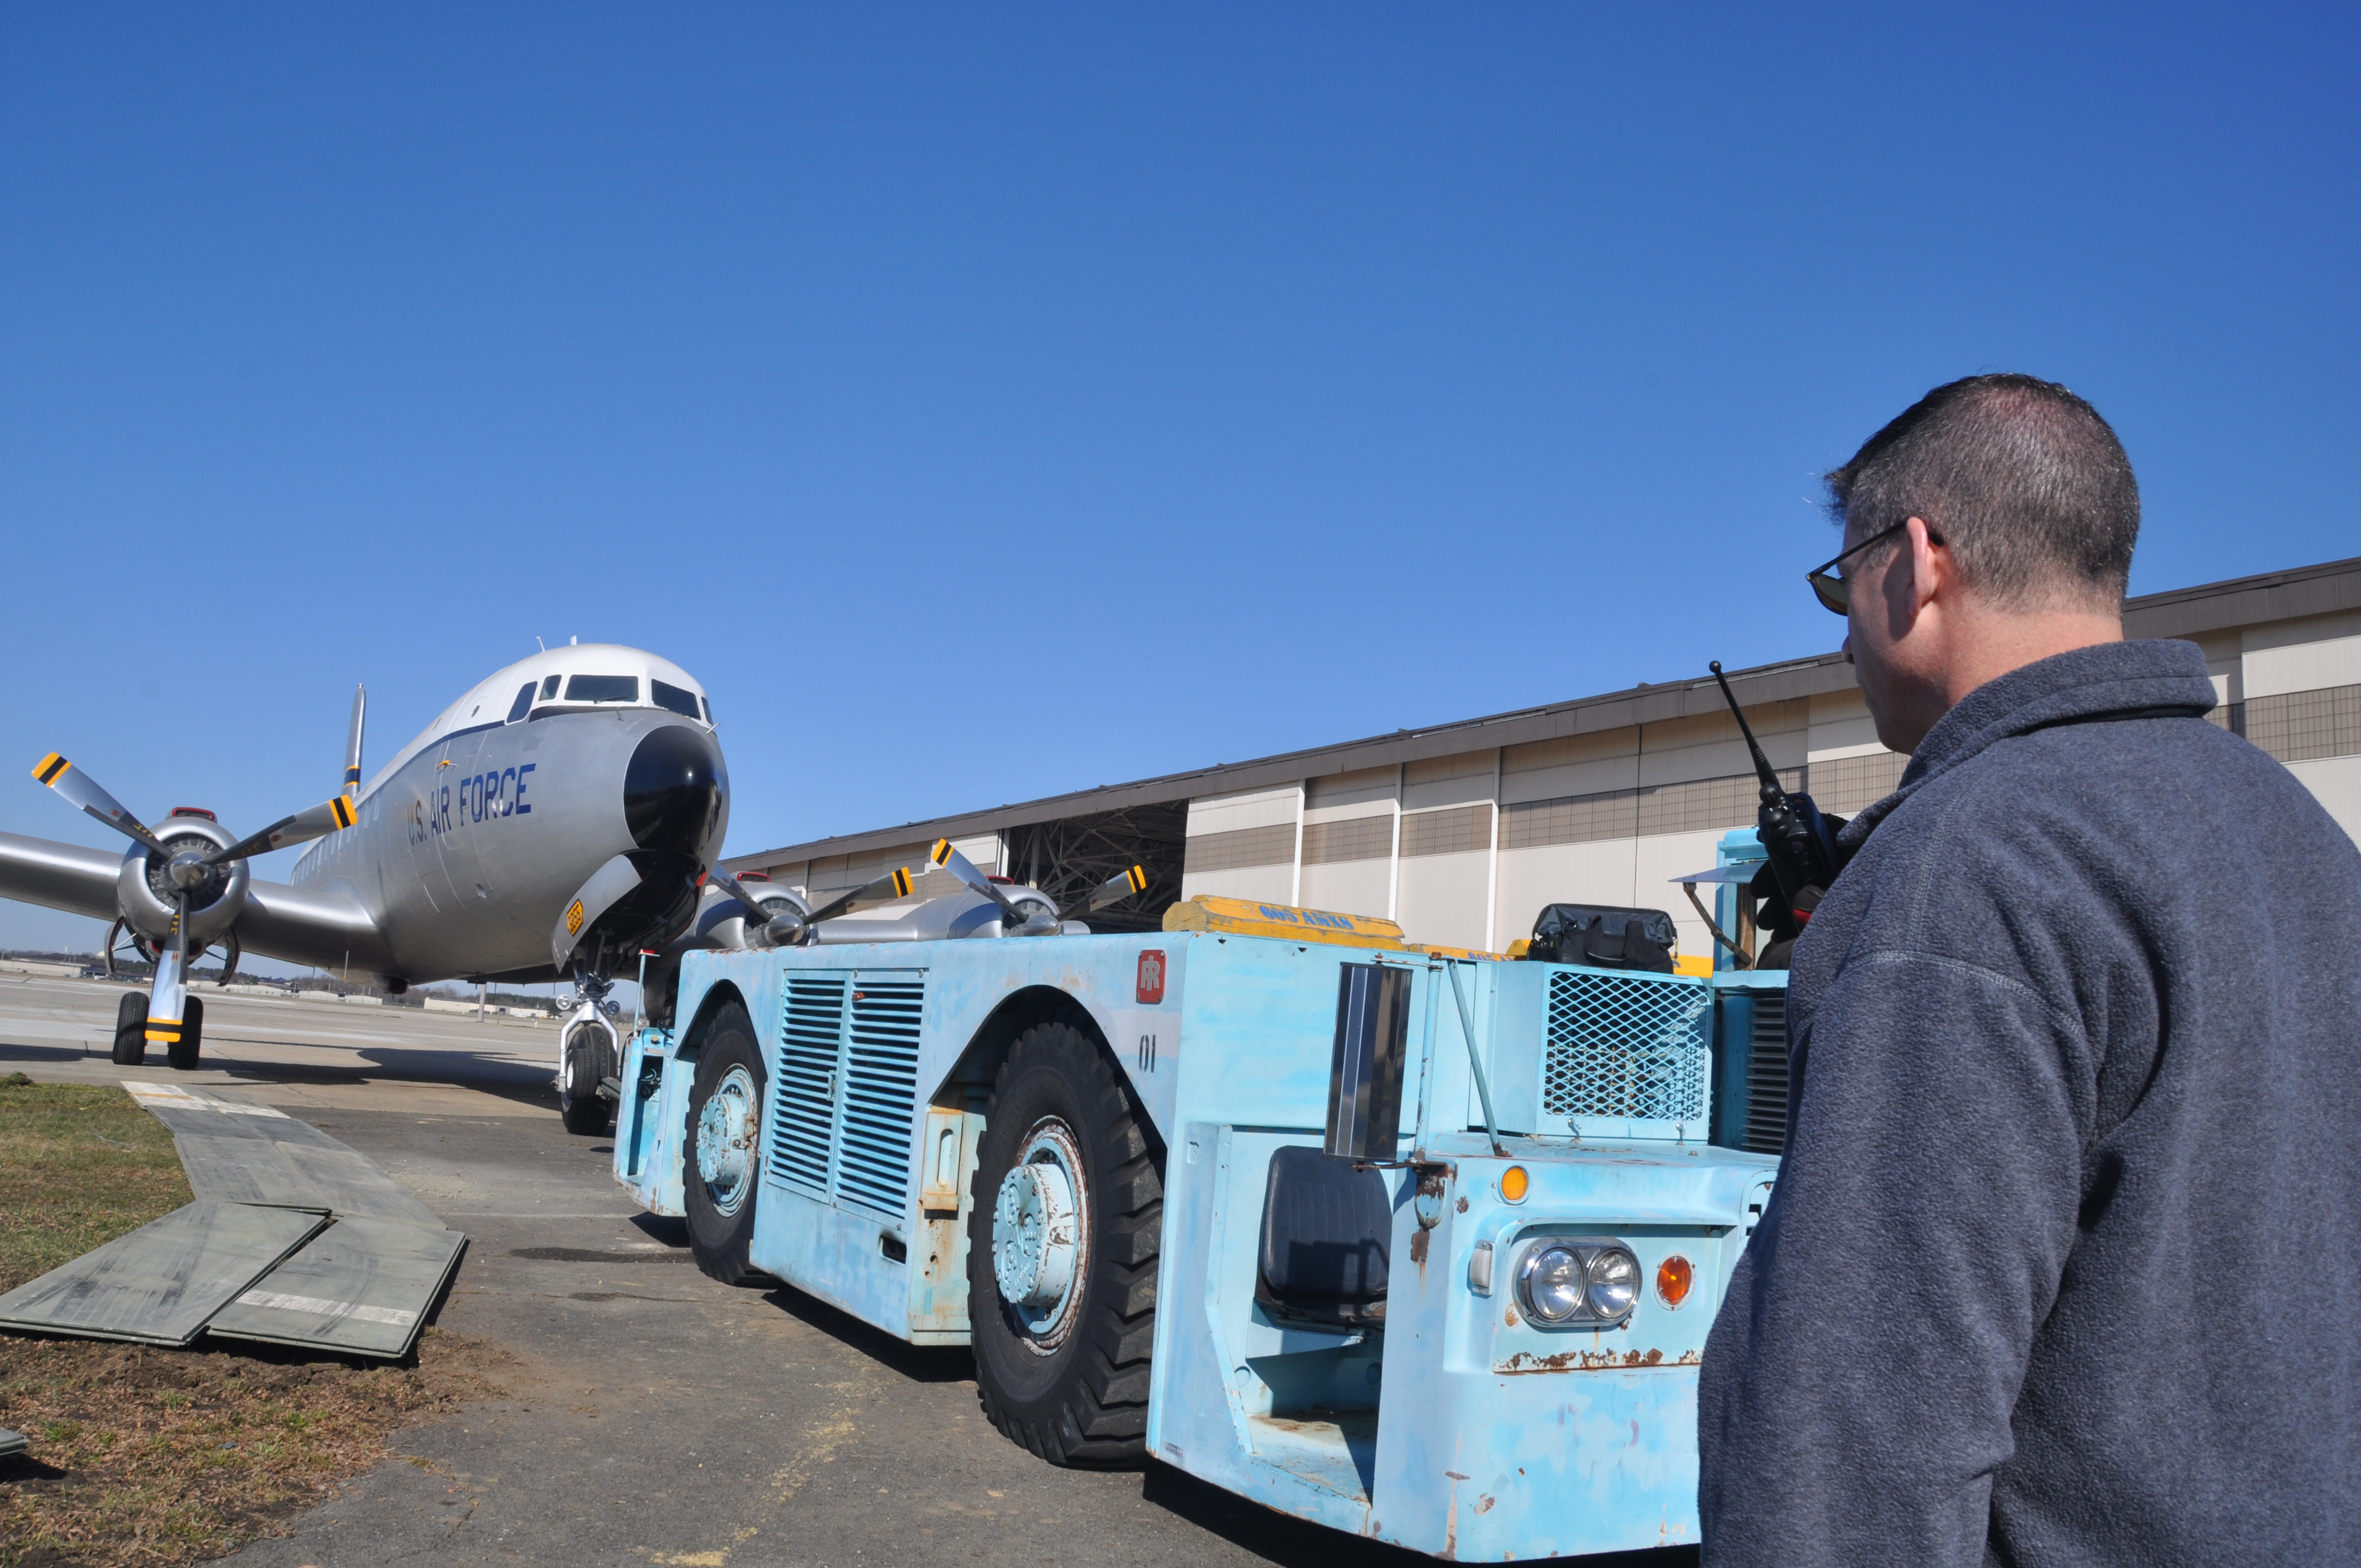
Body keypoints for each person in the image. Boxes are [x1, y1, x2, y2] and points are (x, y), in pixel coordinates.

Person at [1696, 374, 2361, 1565]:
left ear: (1913, 561)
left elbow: (1858, 1445)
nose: (1841, 630)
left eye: (1836, 585)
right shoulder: (2300, 837)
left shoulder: (1970, 861)